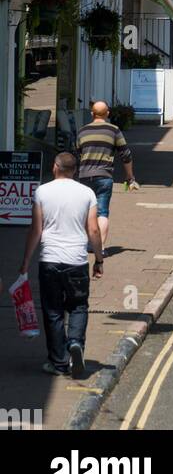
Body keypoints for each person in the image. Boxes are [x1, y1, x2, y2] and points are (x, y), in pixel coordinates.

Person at [19, 151, 103, 377]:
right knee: (78, 305)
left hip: (50, 260)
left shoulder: (42, 191)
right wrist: (99, 259)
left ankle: (58, 362)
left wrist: (26, 260)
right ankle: (75, 342)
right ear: (75, 170)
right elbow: (93, 229)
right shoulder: (87, 193)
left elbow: (36, 230)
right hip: (76, 260)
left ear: (56, 167)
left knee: (53, 311)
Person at [75, 100, 139, 253]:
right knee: (102, 212)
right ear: (108, 113)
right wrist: (130, 177)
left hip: (84, 177)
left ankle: (87, 244)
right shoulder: (114, 130)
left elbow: (76, 155)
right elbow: (126, 154)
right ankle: (100, 247)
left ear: (92, 114)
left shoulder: (82, 131)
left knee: (85, 212)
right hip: (104, 176)